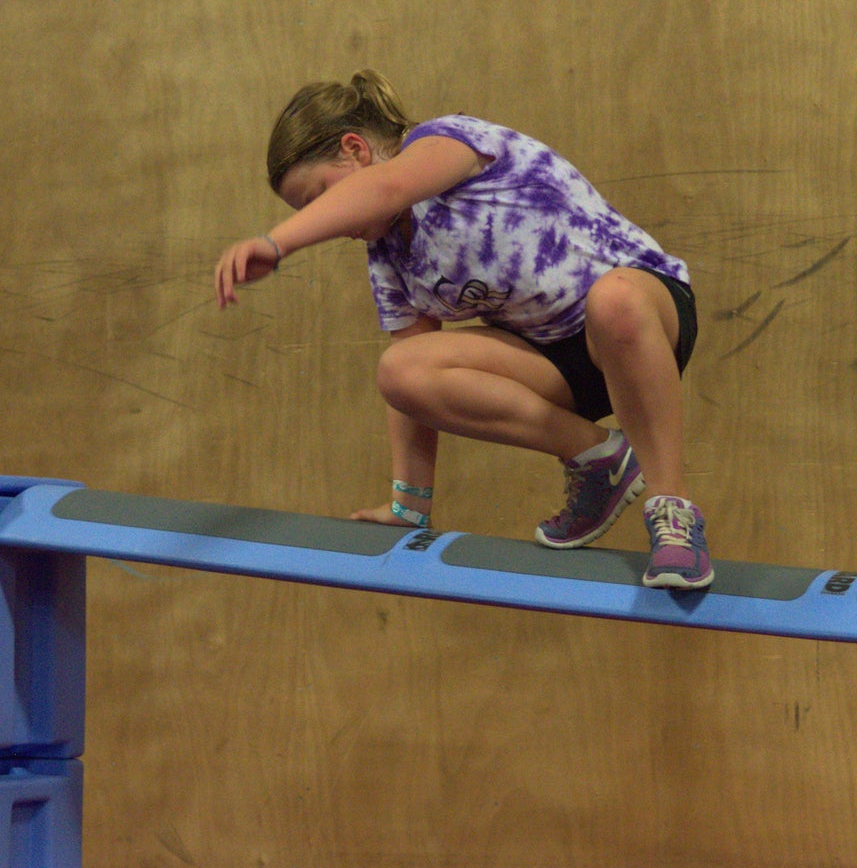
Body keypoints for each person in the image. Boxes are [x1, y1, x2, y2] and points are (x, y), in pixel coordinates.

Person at [211, 72, 712, 589]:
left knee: (613, 299)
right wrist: (408, 505)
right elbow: (413, 390)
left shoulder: (447, 141)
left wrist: (278, 243)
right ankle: (597, 458)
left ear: (355, 150)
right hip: (560, 368)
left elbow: (385, 187)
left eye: (319, 200)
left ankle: (672, 509)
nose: (329, 222)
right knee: (401, 368)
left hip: (644, 320)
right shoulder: (387, 252)